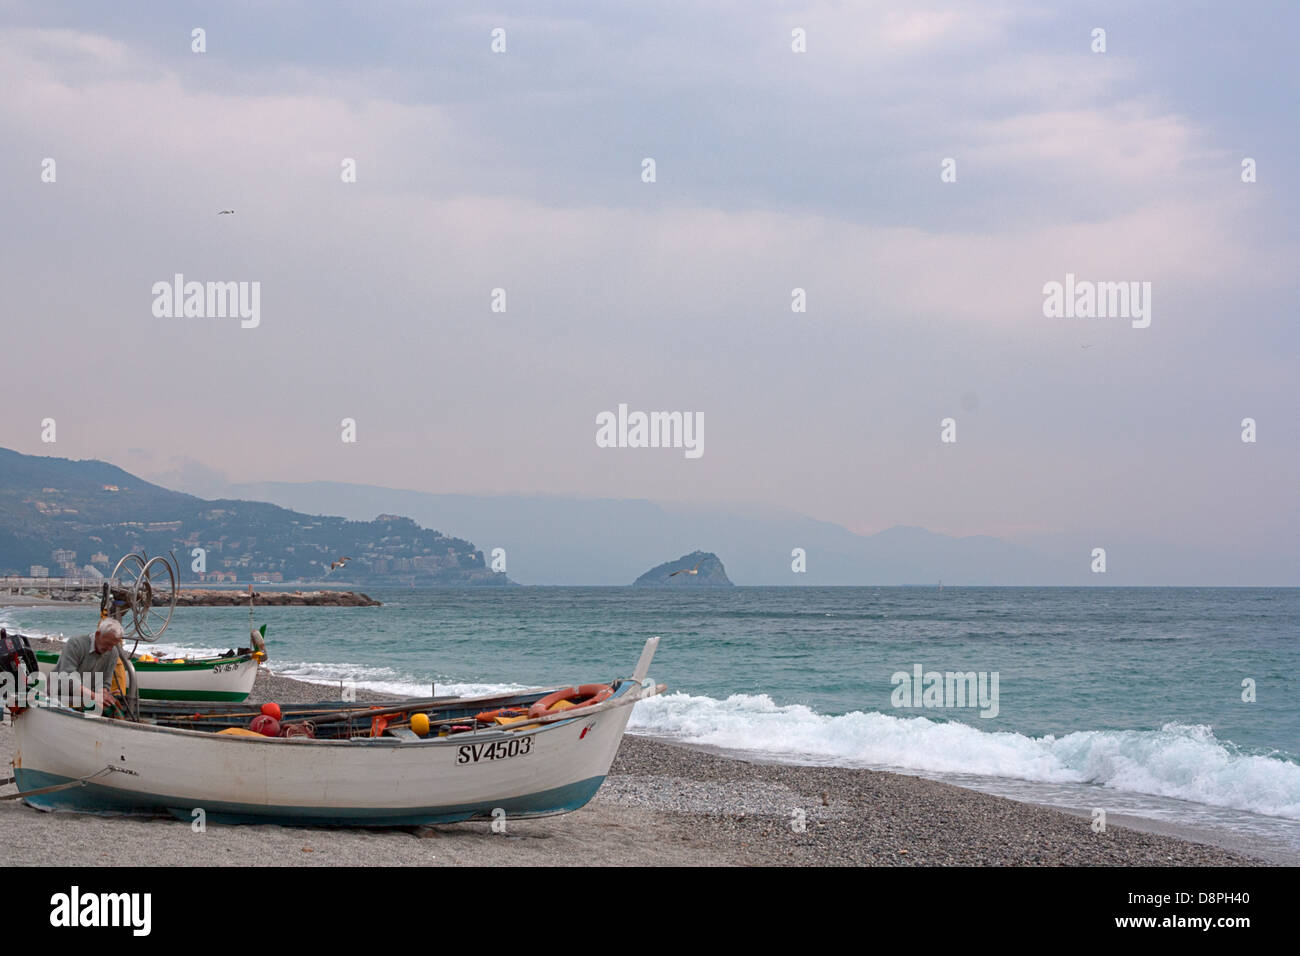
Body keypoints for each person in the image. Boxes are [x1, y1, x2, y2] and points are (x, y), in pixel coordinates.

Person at [53, 617, 127, 711]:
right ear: (97, 634)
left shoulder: (113, 652)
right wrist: (93, 695)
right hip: (58, 695)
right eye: (107, 643)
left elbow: (105, 681)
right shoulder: (76, 644)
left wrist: (103, 693)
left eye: (113, 645)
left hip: (84, 697)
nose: (109, 649)